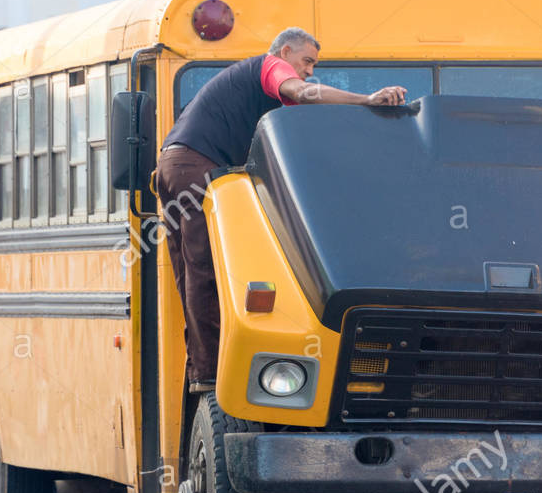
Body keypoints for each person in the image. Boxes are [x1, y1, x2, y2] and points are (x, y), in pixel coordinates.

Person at [156, 27, 407, 392]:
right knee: (206, 268)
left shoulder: (259, 92)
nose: (309, 71)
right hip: (195, 166)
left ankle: (201, 370)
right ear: (286, 52)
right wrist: (367, 99)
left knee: (191, 273)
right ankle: (211, 374)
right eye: (306, 61)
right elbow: (304, 93)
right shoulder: (271, 67)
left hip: (177, 165)